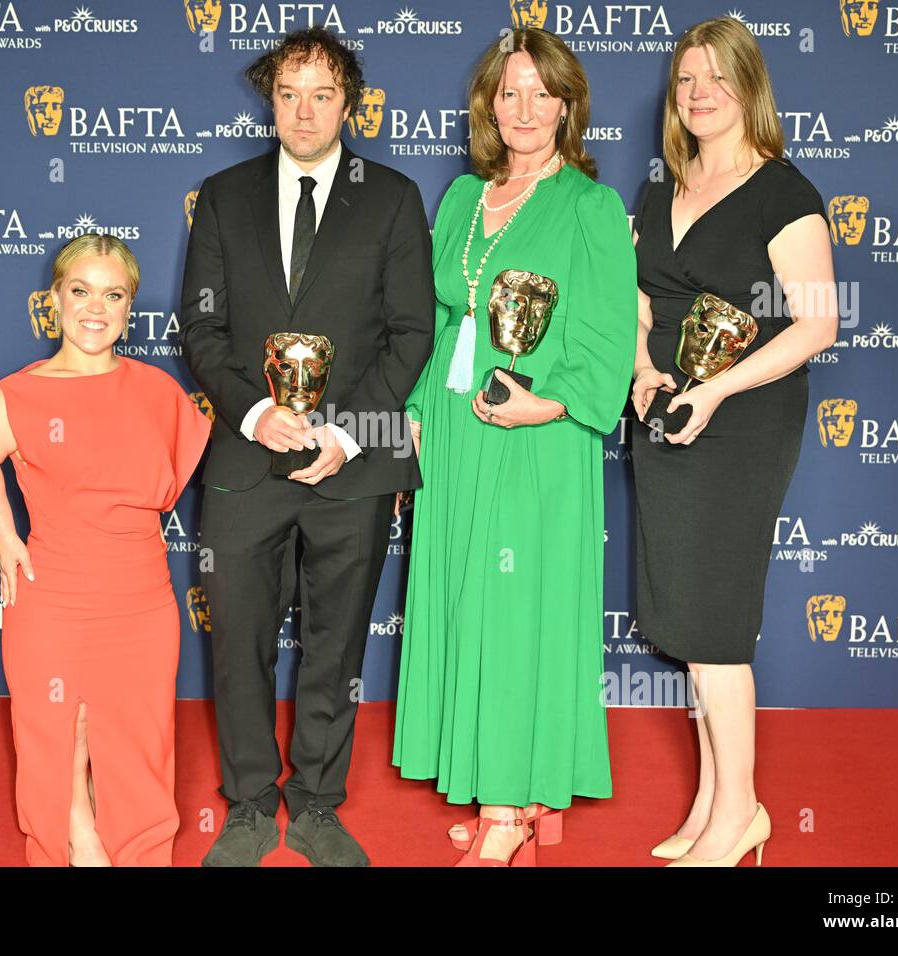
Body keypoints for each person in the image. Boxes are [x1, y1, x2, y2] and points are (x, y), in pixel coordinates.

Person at [179, 26, 434, 867]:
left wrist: (344, 431)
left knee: (336, 646)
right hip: (248, 462)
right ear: (269, 100)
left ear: (348, 102)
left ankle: (318, 804)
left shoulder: (393, 197)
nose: (304, 111)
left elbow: (411, 334)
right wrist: (255, 415)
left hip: (350, 466)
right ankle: (249, 803)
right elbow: (203, 329)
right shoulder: (222, 194)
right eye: (288, 93)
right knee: (239, 642)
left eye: (322, 94)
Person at [392, 27, 638, 866]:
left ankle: (505, 816)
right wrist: (418, 417)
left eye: (542, 93)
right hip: (459, 432)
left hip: (535, 435)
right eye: (509, 92)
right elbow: (435, 323)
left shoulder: (591, 207)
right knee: (467, 604)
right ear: (488, 104)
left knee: (515, 609)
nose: (524, 108)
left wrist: (552, 404)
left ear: (568, 106)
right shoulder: (462, 198)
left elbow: (605, 341)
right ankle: (506, 786)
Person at [629, 17, 837, 866]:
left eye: (716, 77)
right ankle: (717, 804)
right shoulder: (660, 191)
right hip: (665, 414)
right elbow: (640, 305)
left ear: (749, 85)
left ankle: (741, 811)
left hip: (741, 421)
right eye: (686, 80)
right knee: (690, 626)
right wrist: (644, 370)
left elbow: (817, 323)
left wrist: (715, 388)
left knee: (716, 630)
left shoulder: (783, 191)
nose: (699, 92)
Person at [0, 234, 211, 866]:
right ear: (54, 300)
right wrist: (6, 538)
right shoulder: (20, 393)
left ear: (129, 309)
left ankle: (142, 848)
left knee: (138, 735)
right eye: (80, 291)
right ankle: (77, 834)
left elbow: (180, 475)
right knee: (58, 727)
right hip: (52, 591)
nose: (94, 307)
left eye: (113, 294)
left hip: (141, 596)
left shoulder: (161, 394)